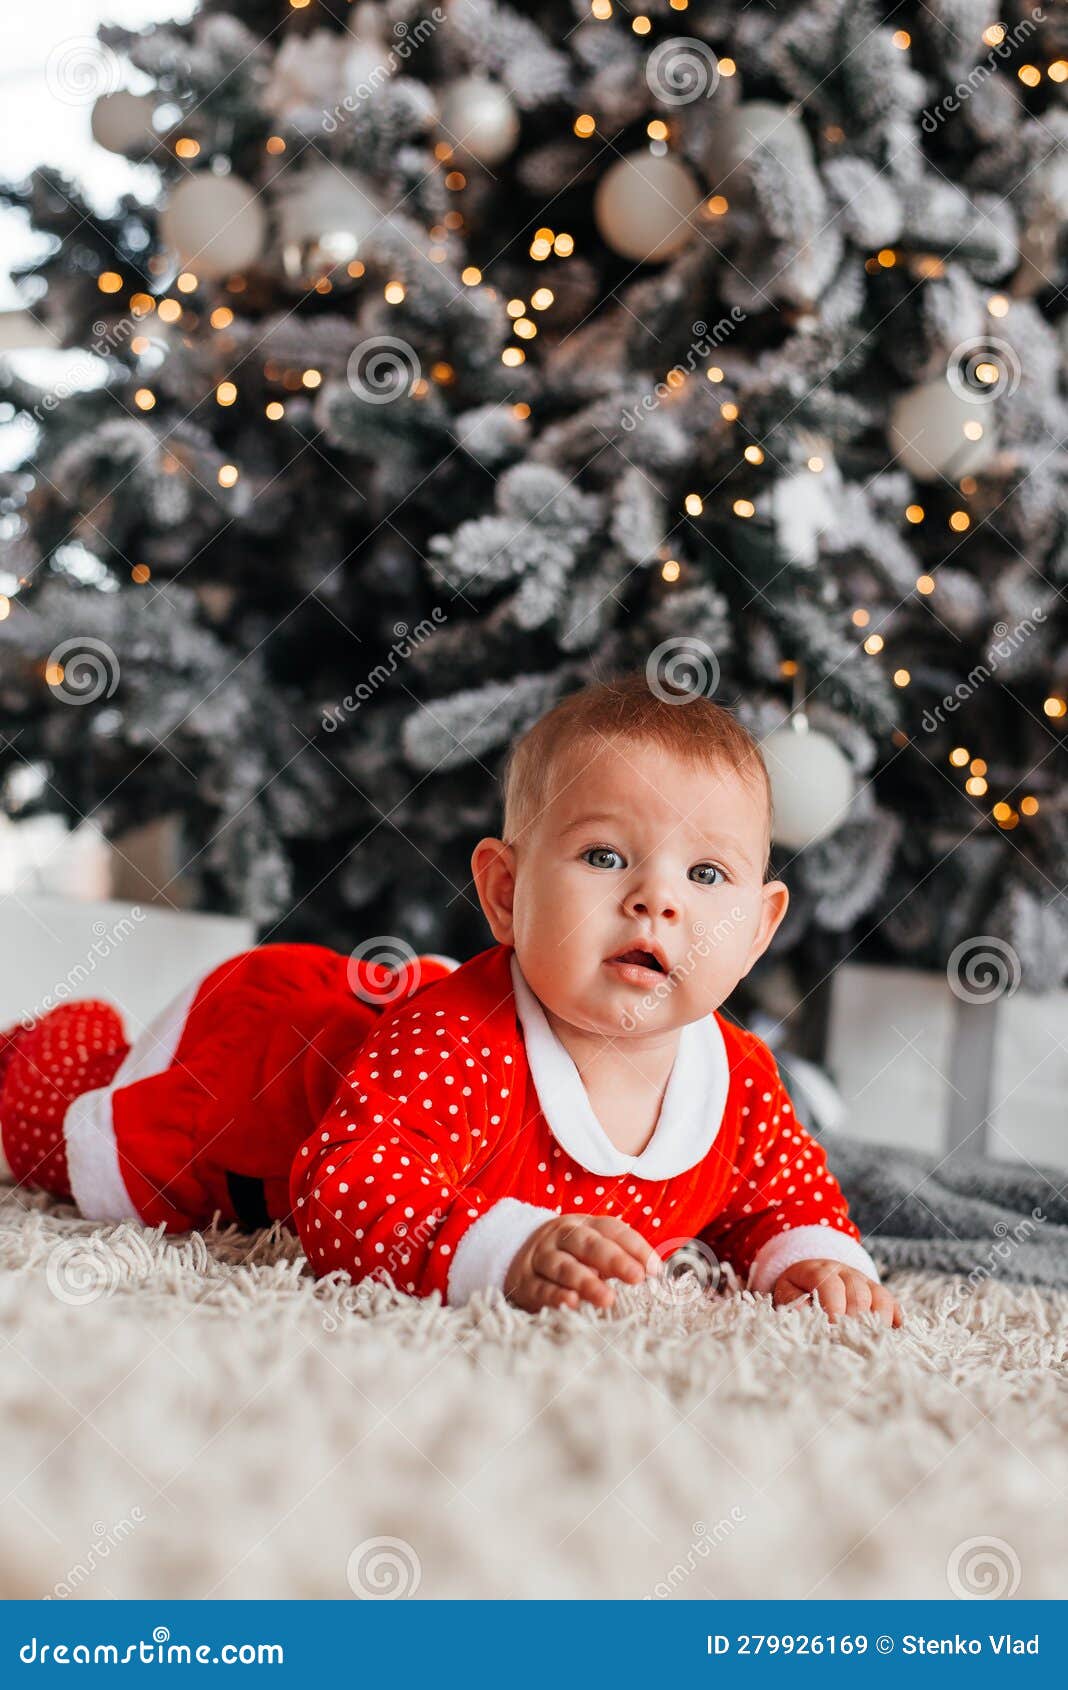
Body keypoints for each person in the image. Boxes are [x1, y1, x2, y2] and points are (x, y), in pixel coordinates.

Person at [0, 669, 901, 1327]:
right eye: (603, 856)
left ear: (756, 928)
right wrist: (505, 1253)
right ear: (505, 893)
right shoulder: (462, 1041)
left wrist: (814, 1260)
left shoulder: (737, 1077)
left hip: (372, 1031)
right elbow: (345, 1190)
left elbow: (784, 1195)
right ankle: (53, 1043)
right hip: (245, 1068)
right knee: (64, 1132)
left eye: (707, 873)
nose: (656, 900)